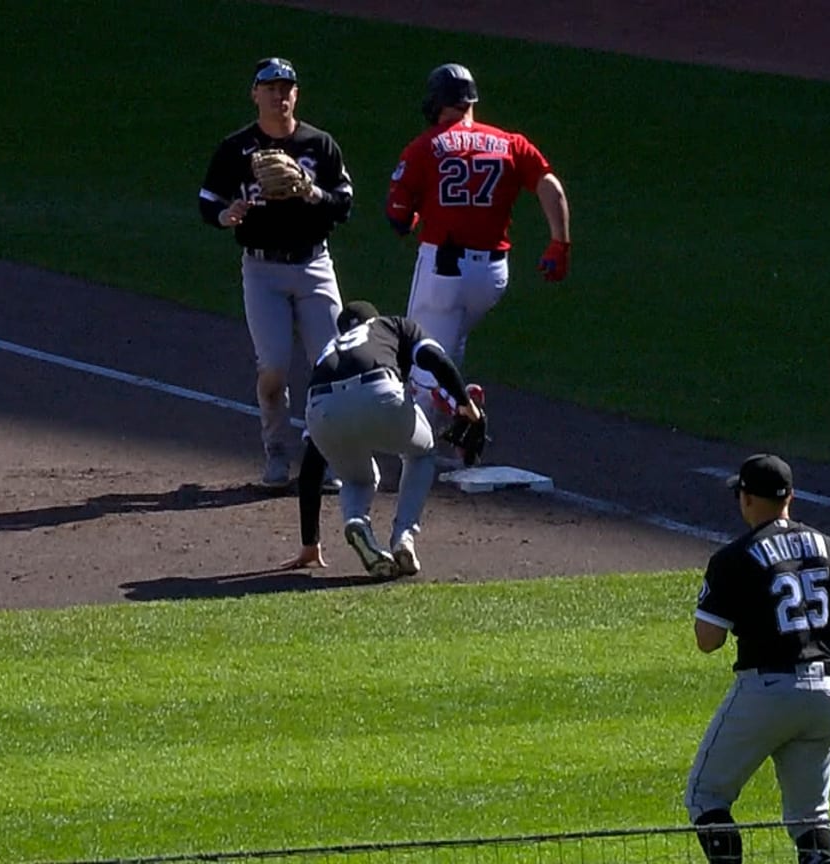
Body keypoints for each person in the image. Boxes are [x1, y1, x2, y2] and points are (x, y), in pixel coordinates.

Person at [685, 454, 830, 864]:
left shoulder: (734, 558)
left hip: (765, 692)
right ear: (790, 496)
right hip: (824, 694)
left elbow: (708, 640)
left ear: (747, 498)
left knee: (706, 796)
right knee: (812, 817)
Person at [383, 62, 572, 427]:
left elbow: (398, 220)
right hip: (492, 277)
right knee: (452, 344)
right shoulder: (510, 143)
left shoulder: (425, 146)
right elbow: (551, 186)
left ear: (437, 101)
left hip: (443, 272)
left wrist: (415, 217)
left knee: (421, 366)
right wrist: (559, 243)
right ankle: (459, 415)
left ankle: (425, 450)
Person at [198, 56, 357, 489]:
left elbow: (343, 204)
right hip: (262, 269)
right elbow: (207, 200)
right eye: (269, 86)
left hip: (314, 267)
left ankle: (322, 457)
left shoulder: (319, 145)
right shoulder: (236, 148)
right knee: (273, 370)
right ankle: (275, 452)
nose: (278, 94)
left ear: (295, 94)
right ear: (255, 94)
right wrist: (225, 214)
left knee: (332, 367)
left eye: (286, 87)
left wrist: (312, 192)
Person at [286, 301, 483, 578]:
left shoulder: (327, 354)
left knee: (357, 479)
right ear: (372, 319)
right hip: (379, 390)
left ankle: (356, 520)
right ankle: (404, 536)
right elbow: (435, 360)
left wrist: (310, 542)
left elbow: (311, 468)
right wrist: (465, 403)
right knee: (422, 453)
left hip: (322, 407)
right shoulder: (392, 325)